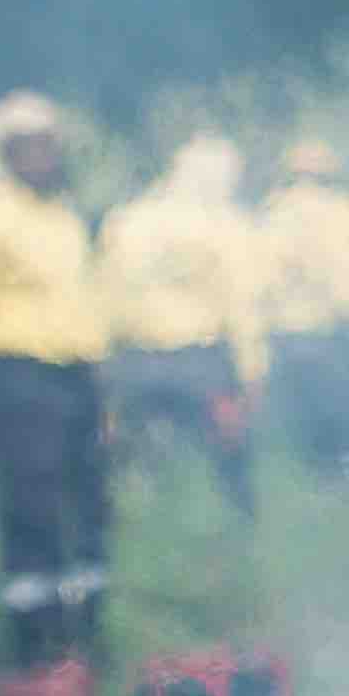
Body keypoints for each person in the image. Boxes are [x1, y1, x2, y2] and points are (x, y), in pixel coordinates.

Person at [0, 93, 112, 675]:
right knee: (30, 512)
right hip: (16, 377)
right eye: (28, 145)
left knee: (87, 509)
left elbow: (88, 305)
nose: (42, 155)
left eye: (48, 143)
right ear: (5, 153)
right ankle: (34, 648)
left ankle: (87, 639)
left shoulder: (64, 220)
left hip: (76, 378)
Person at [98, 132, 265, 518]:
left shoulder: (126, 221)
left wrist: (103, 363)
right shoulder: (224, 226)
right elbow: (241, 305)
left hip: (134, 359)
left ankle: (124, 518)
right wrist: (253, 369)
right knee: (229, 448)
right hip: (201, 359)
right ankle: (238, 521)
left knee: (126, 451)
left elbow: (106, 298)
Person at [259, 138, 349, 478]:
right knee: (343, 407)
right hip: (329, 327)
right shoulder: (341, 212)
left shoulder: (272, 212)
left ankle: (315, 473)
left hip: (284, 329)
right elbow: (348, 281)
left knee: (303, 413)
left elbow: (259, 278)